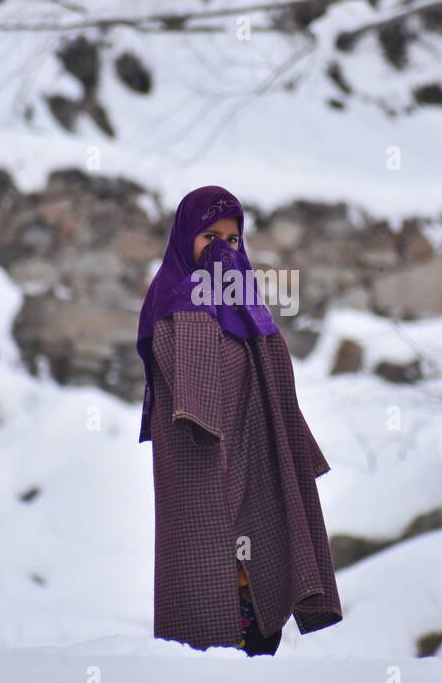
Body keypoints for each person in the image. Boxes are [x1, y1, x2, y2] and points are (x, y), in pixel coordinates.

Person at [136, 185, 343, 656]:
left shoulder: (248, 305)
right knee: (209, 627)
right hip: (203, 473)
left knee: (260, 624)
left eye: (231, 240)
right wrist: (205, 301)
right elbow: (199, 391)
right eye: (208, 236)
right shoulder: (173, 299)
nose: (221, 250)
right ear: (185, 238)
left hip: (256, 468)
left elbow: (276, 389)